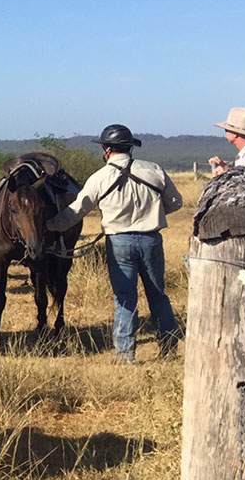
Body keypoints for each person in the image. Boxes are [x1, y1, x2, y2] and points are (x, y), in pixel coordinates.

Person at [47, 124, 184, 362]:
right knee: (158, 294)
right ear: (130, 147)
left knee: (124, 297)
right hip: (151, 239)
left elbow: (75, 212)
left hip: (119, 242)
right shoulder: (154, 169)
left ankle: (125, 354)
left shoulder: (99, 177)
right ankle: (168, 346)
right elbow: (175, 202)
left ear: (107, 150)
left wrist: (48, 226)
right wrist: (153, 213)